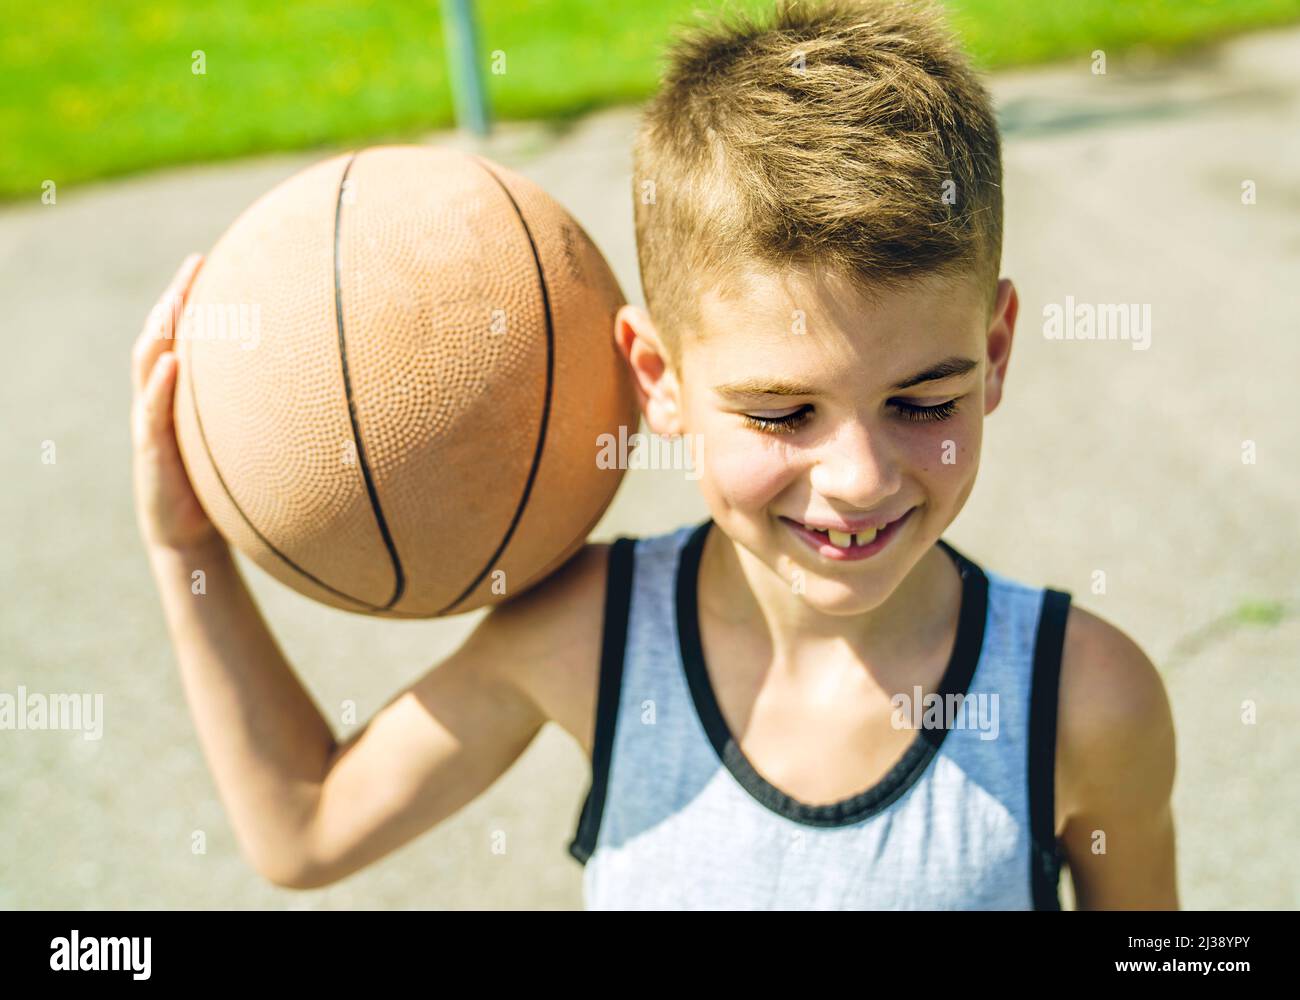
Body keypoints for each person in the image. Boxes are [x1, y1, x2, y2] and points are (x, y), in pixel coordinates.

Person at [130, 0, 1177, 909]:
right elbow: (304, 827)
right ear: (658, 376)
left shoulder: (1082, 700)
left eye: (921, 399)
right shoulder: (587, 637)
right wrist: (188, 550)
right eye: (780, 413)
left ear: (993, 352)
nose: (858, 475)